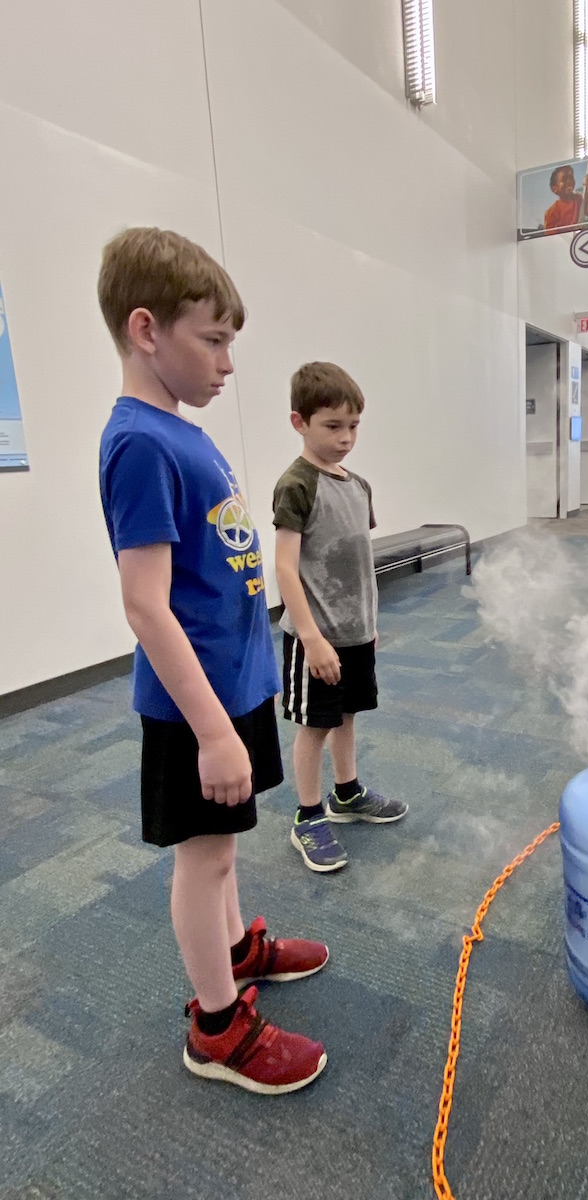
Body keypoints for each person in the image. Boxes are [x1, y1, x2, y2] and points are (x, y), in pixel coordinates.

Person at [98, 227, 328, 1094]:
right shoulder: (140, 444)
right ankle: (217, 1026)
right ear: (146, 330)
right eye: (214, 340)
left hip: (232, 686)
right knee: (205, 860)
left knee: (224, 849)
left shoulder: (180, 431)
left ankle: (235, 951)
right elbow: (144, 604)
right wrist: (212, 734)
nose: (229, 363)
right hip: (194, 707)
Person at [273, 361, 408, 874]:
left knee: (347, 715)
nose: (346, 437)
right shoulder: (296, 484)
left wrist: (368, 625)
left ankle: (346, 794)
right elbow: (285, 567)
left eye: (353, 426)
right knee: (316, 726)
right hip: (316, 639)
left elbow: (355, 561)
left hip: (354, 634)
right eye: (332, 426)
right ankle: (308, 816)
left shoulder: (359, 485)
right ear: (299, 422)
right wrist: (311, 638)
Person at [544, 161, 588, 232]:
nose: (569, 181)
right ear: (555, 189)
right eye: (564, 179)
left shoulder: (578, 198)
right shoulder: (552, 212)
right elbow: (551, 235)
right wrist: (571, 231)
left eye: (571, 177)